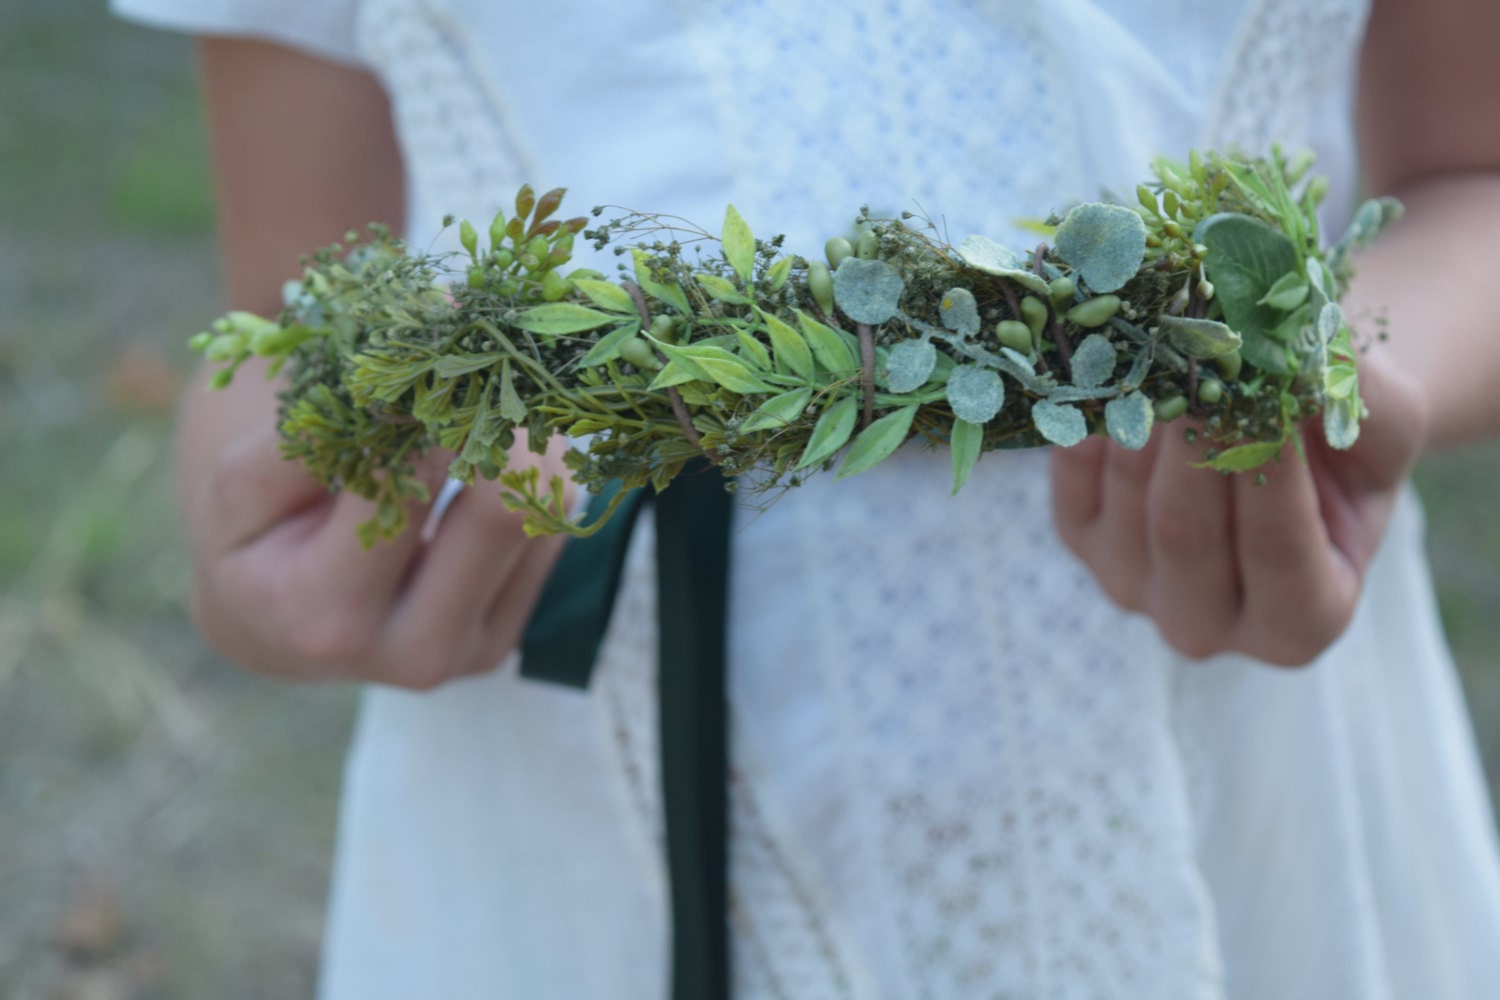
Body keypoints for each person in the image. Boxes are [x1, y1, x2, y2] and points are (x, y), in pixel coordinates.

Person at [112, 0, 1500, 996]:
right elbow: (288, 311)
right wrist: (273, 546)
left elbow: (1474, 177)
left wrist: (1337, 385)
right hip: (585, 741)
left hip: (1230, 678)